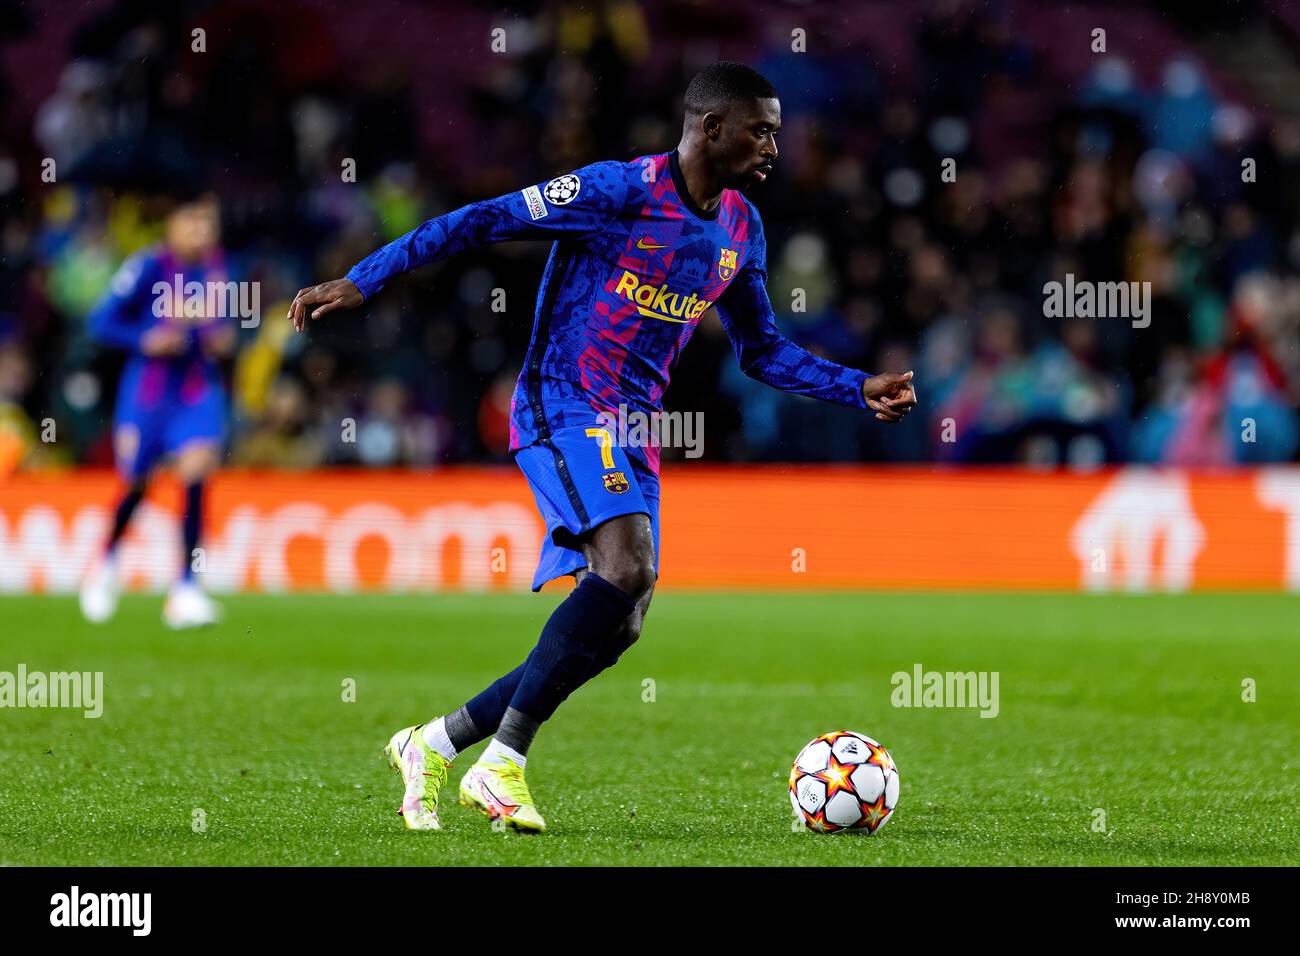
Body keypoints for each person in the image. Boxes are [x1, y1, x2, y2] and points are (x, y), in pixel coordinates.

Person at [288, 63, 917, 833]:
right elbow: (482, 219)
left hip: (633, 428)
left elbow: (762, 351)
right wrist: (364, 277)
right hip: (564, 401)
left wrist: (857, 387)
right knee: (625, 567)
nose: (773, 147)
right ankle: (503, 766)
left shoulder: (742, 228)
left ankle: (436, 740)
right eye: (761, 129)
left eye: (776, 132)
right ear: (711, 127)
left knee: (622, 620)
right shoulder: (616, 191)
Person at [80, 192, 234, 629]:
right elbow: (102, 320)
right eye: (194, 223)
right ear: (172, 226)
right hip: (149, 392)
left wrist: (221, 338)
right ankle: (106, 561)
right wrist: (146, 337)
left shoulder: (220, 269)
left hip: (196, 388)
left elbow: (220, 326)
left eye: (209, 225)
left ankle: (186, 588)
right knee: (139, 483)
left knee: (198, 469)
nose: (203, 233)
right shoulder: (147, 266)